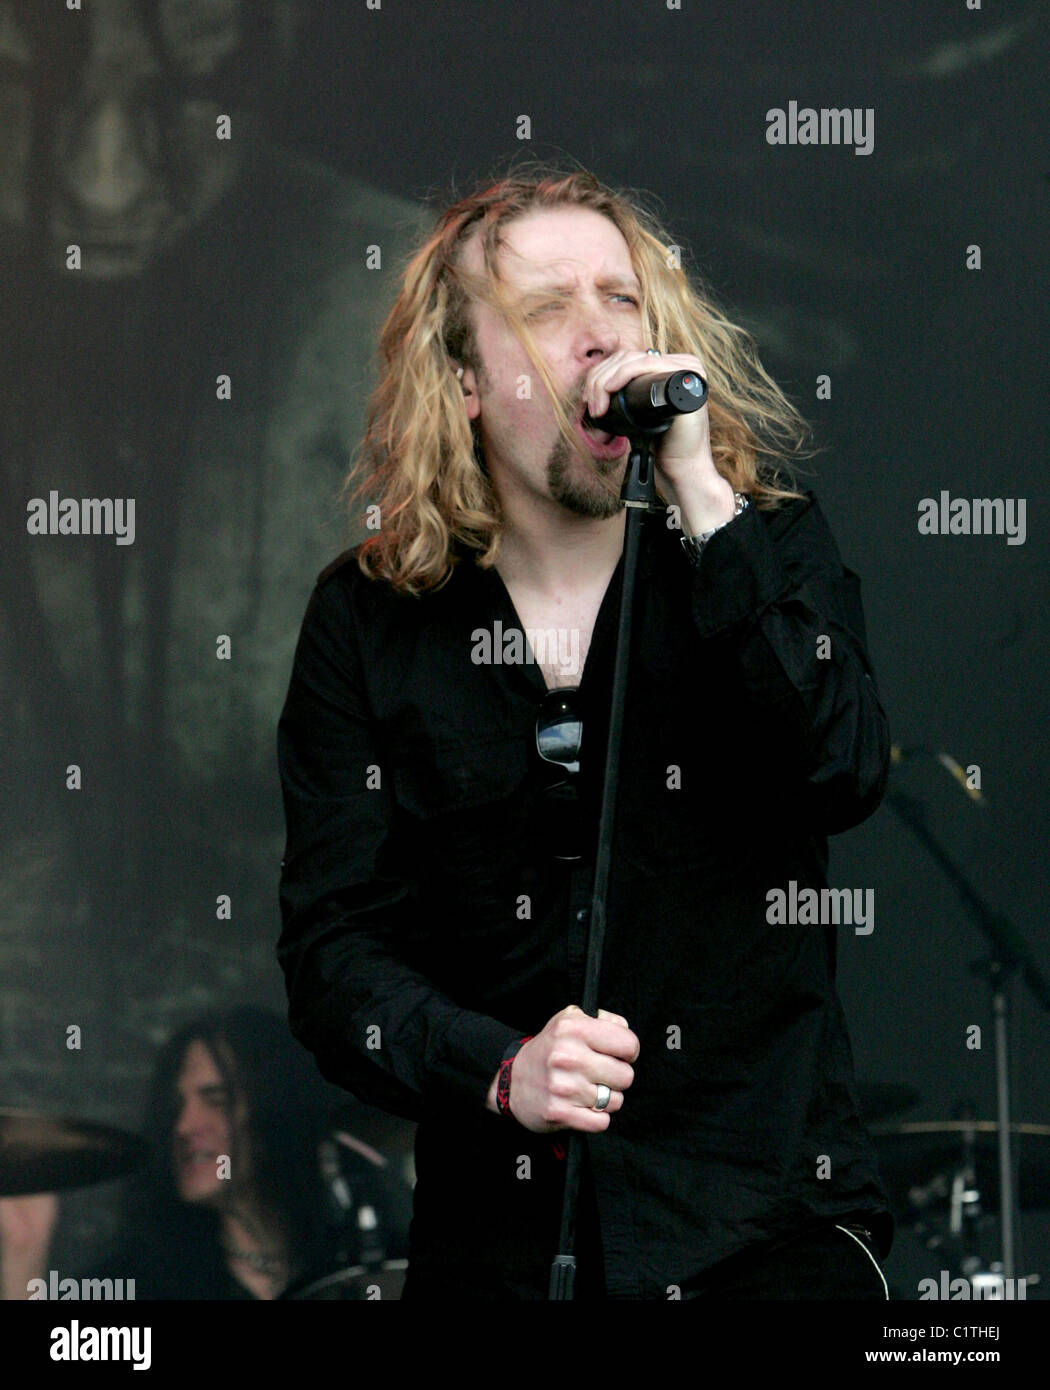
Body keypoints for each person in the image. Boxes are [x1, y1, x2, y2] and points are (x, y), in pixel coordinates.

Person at [276, 163, 894, 1300]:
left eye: (623, 300)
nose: (602, 340)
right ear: (461, 379)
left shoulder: (768, 553)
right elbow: (333, 958)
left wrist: (707, 500)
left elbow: (842, 767)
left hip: (762, 1236)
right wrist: (502, 1068)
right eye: (549, 310)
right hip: (496, 1242)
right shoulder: (370, 621)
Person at [1, 1007, 410, 1300]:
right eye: (176, 1107)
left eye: (216, 1099)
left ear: (276, 1112)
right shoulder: (136, 1283)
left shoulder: (371, 1260)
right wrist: (23, 1265)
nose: (183, 1126)